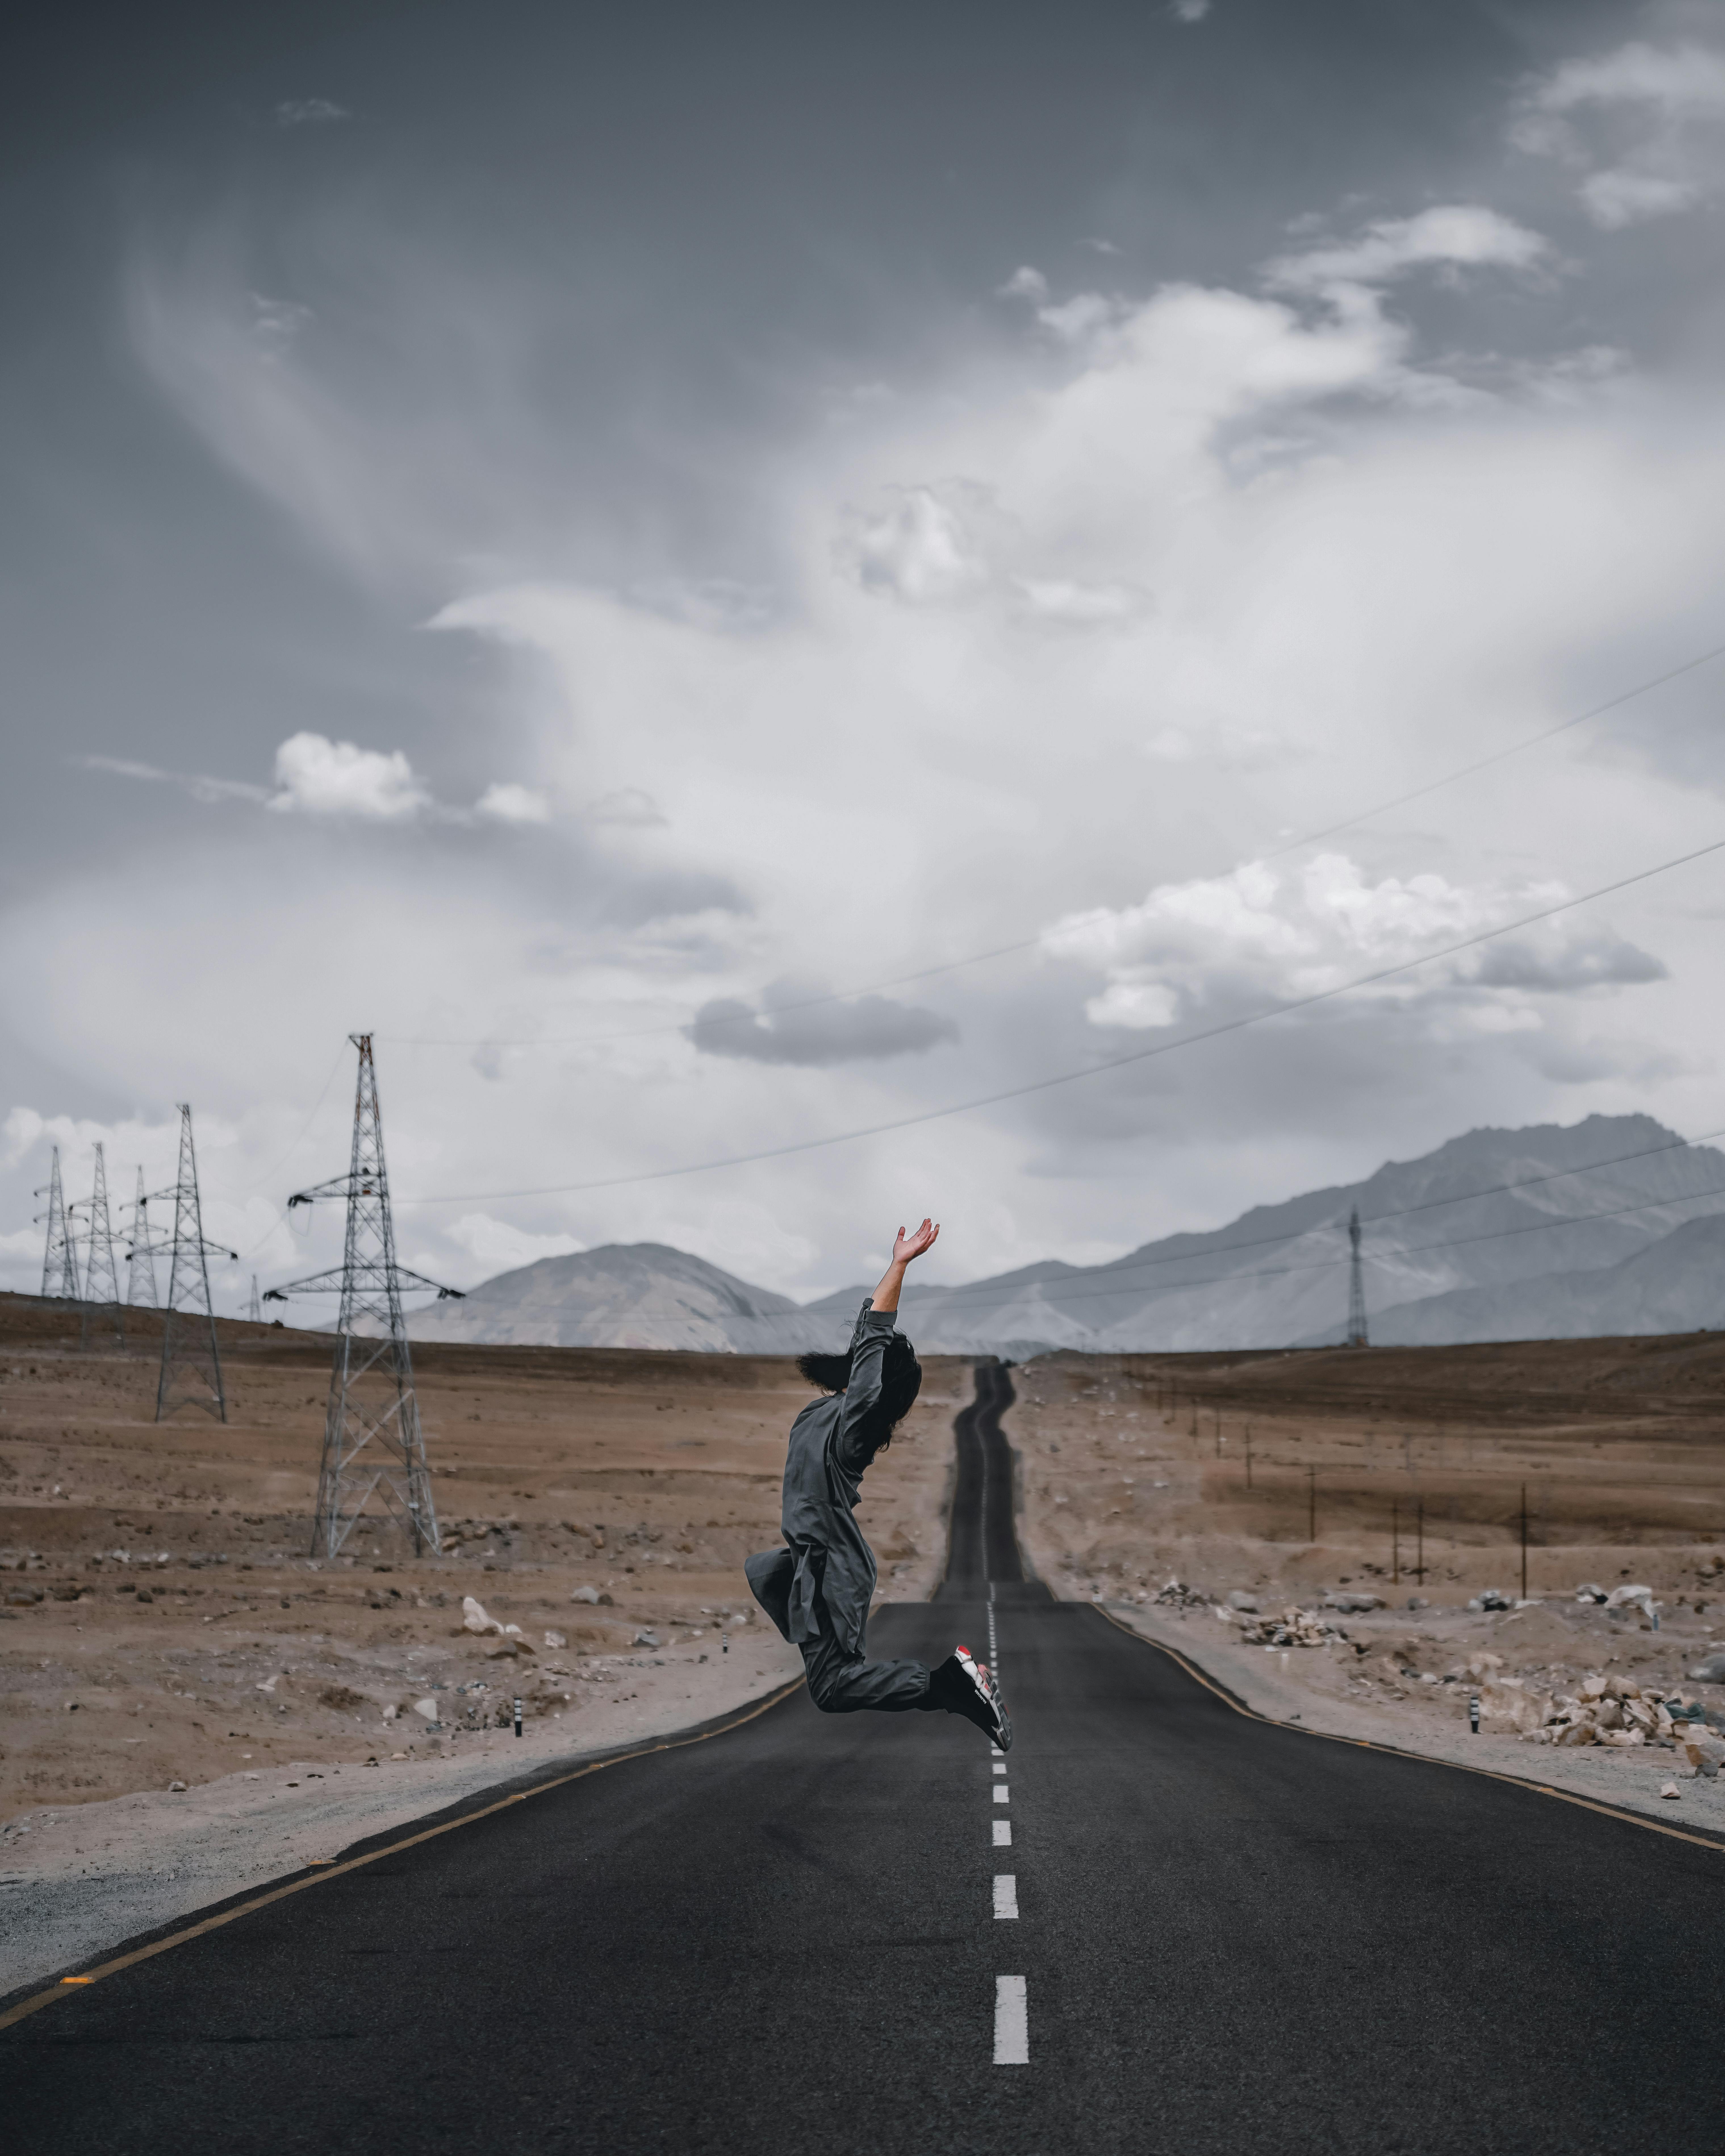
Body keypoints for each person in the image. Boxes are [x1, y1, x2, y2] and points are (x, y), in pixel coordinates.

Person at [745, 1218, 1012, 1749]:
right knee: (824, 1676)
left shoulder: (852, 1430)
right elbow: (864, 1352)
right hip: (809, 1566)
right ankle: (947, 1684)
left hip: (830, 1569)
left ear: (874, 1385)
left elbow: (870, 1348)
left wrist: (899, 1266)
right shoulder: (832, 1412)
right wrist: (888, 1281)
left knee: (834, 1686)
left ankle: (946, 1684)